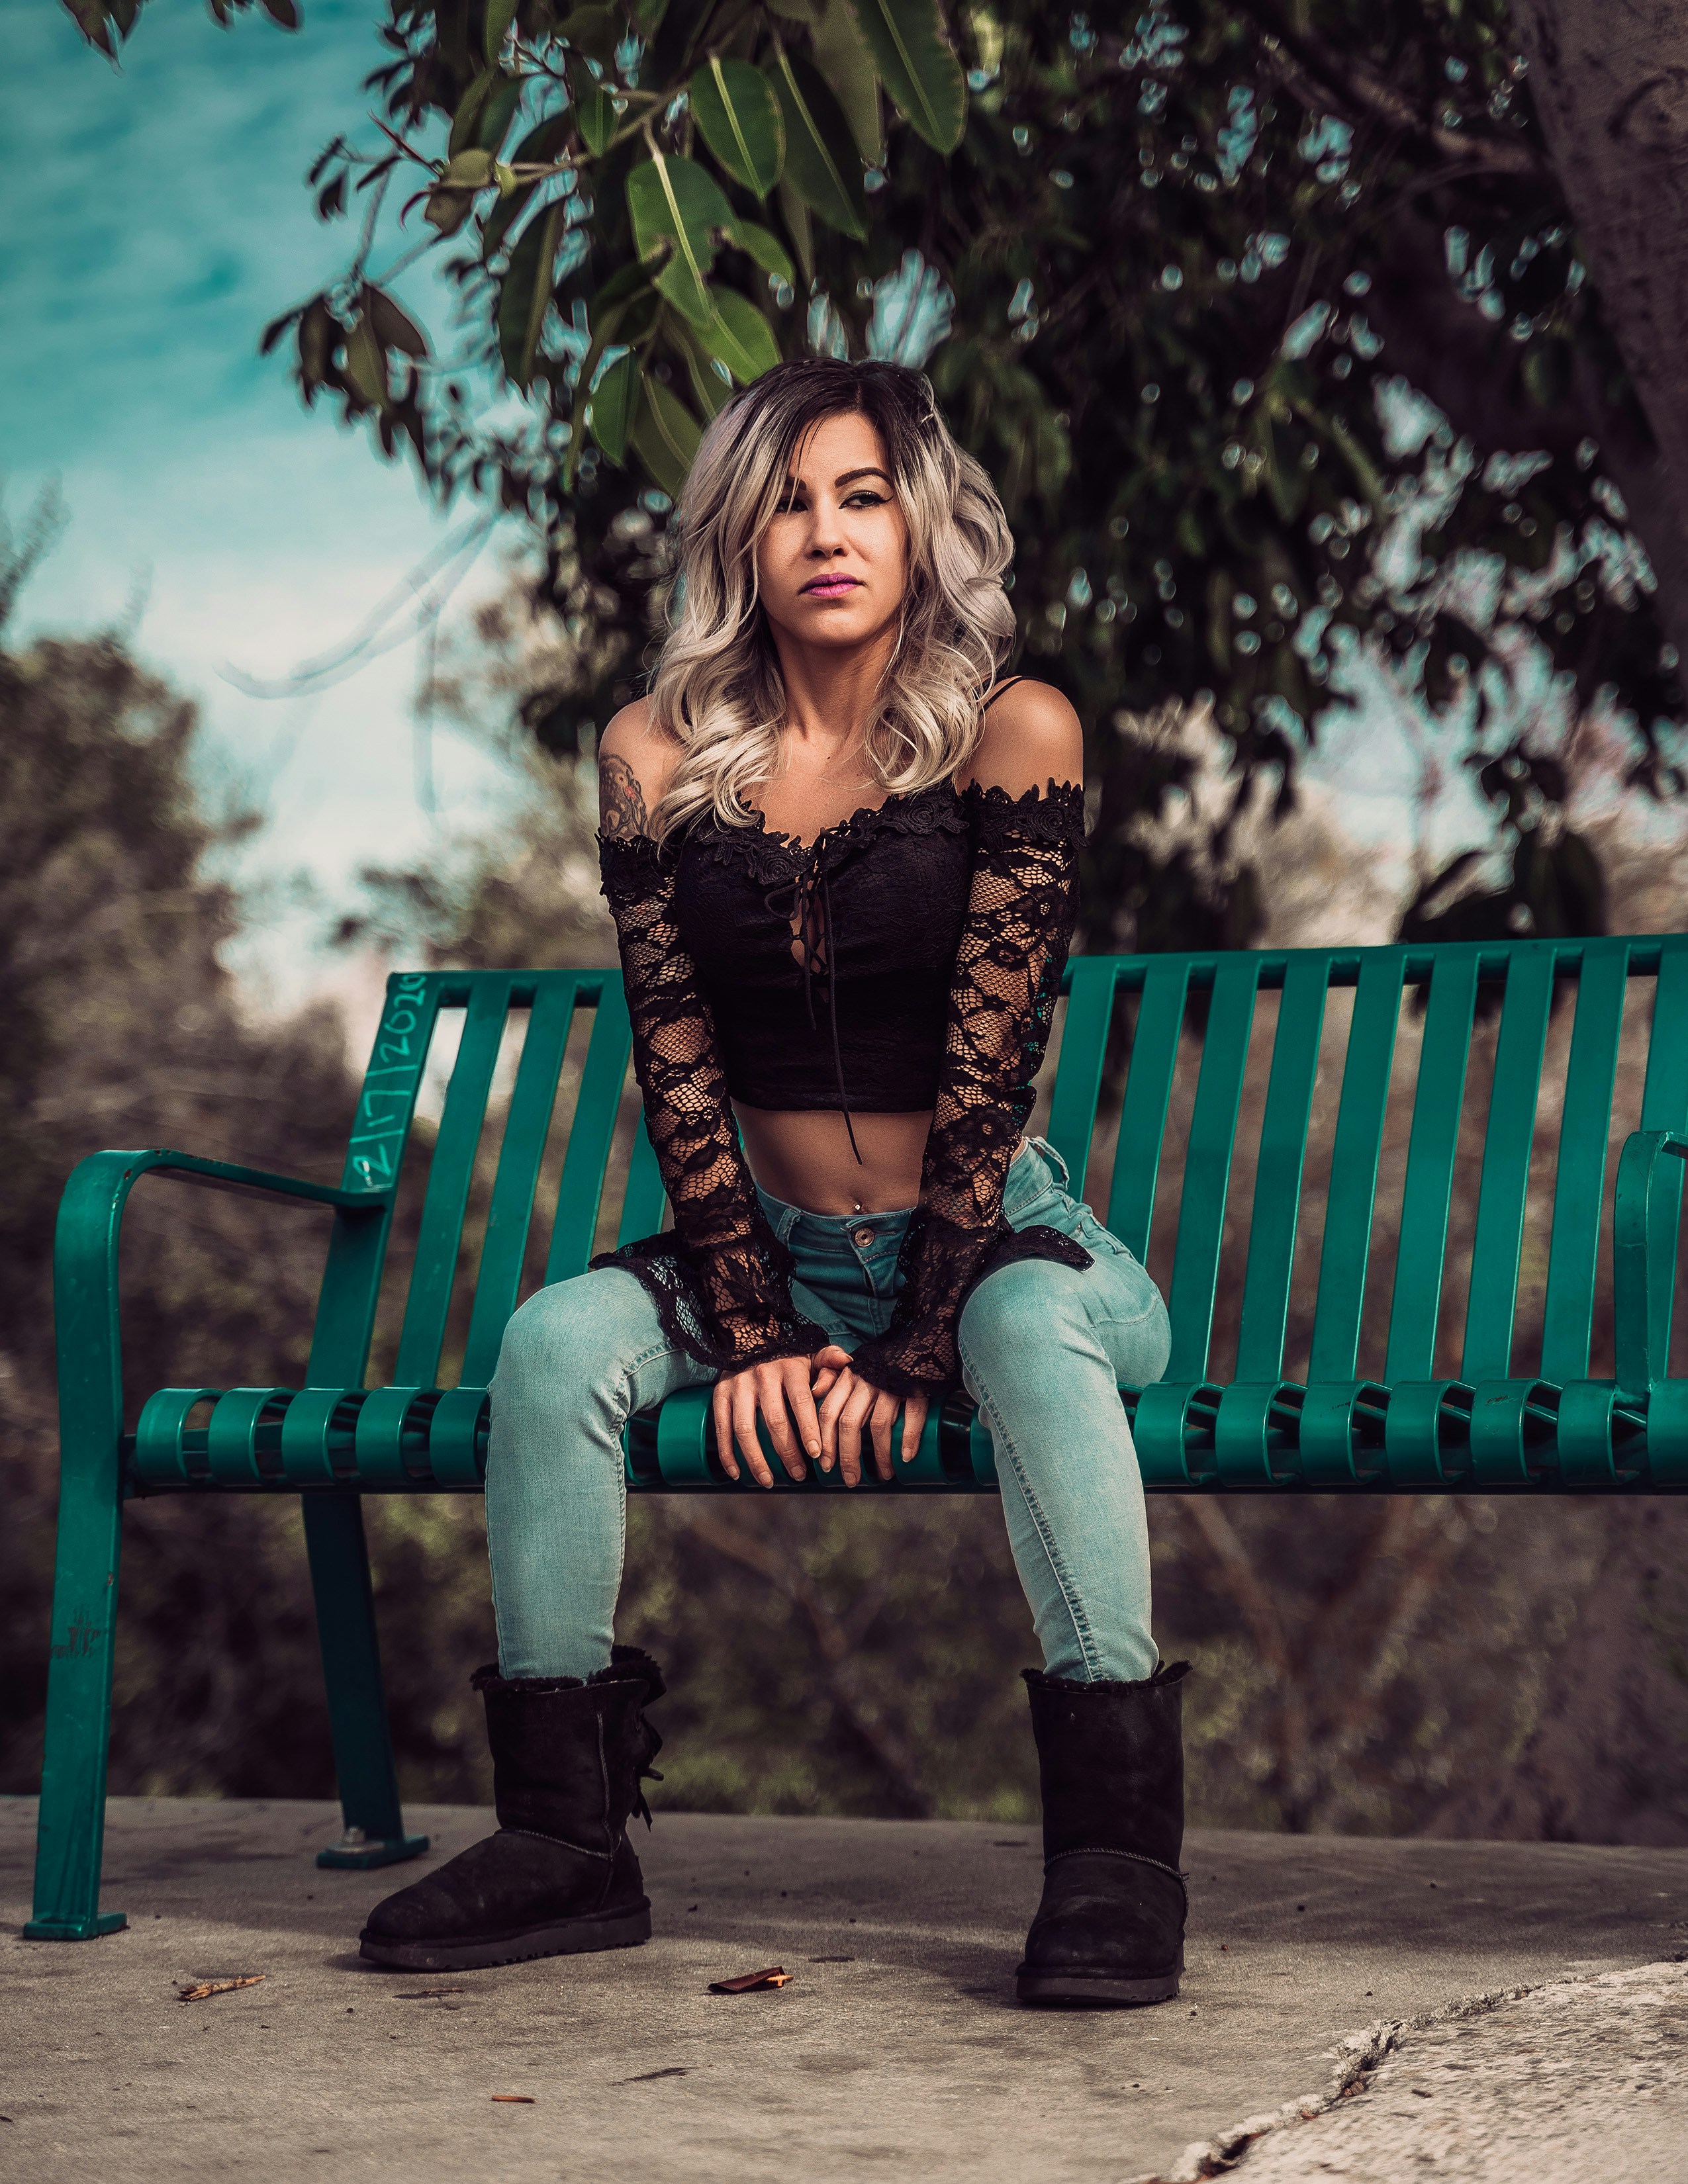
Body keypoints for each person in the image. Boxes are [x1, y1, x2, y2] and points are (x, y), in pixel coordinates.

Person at [359, 358, 1184, 2006]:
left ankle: (1115, 1867)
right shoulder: (655, 756)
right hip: (776, 1260)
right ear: (740, 534)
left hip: (1010, 1251)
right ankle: (567, 1844)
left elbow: (988, 1073)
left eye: (863, 494)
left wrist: (909, 1343)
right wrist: (753, 1330)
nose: (826, 532)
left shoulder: (1014, 732)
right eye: (788, 499)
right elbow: (676, 1066)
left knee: (1026, 1338)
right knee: (550, 1347)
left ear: (921, 519)